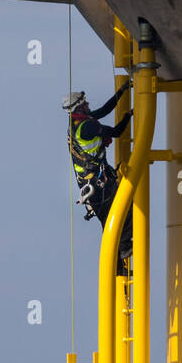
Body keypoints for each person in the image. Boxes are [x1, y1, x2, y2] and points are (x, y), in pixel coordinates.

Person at [64, 86, 133, 263]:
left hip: (89, 183)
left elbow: (104, 110)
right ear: (79, 107)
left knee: (108, 221)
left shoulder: (77, 123)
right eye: (84, 102)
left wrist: (121, 92)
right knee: (124, 208)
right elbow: (117, 132)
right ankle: (124, 247)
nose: (88, 104)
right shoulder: (87, 127)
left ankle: (116, 265)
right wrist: (129, 116)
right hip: (98, 182)